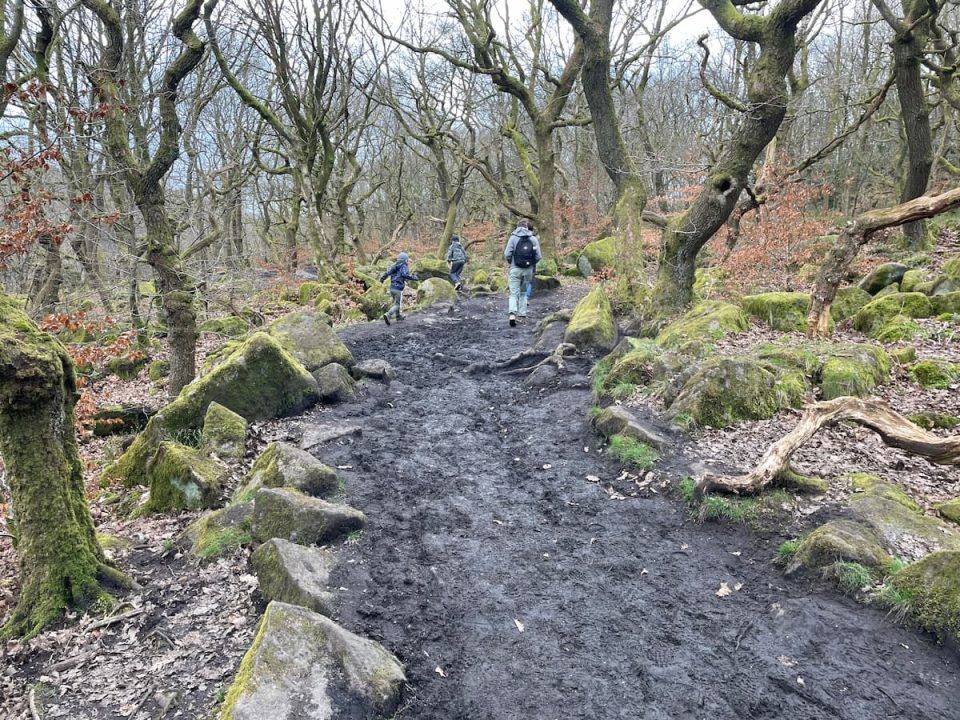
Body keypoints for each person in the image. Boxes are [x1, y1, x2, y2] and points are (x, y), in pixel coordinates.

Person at [503, 218, 542, 327]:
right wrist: (531, 264)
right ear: (526, 227)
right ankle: (523, 315)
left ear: (517, 227)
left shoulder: (513, 237)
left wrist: (511, 262)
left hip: (515, 268)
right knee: (523, 292)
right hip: (528, 270)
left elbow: (507, 254)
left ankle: (512, 315)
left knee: (513, 293)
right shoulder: (533, 238)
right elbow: (539, 256)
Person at [379, 252, 418, 326]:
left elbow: (387, 273)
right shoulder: (404, 266)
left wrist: (382, 279)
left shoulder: (394, 266)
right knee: (397, 304)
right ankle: (388, 314)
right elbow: (405, 274)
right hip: (398, 289)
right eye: (407, 260)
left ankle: (398, 316)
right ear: (405, 260)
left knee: (397, 303)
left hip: (392, 288)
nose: (407, 262)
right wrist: (414, 277)